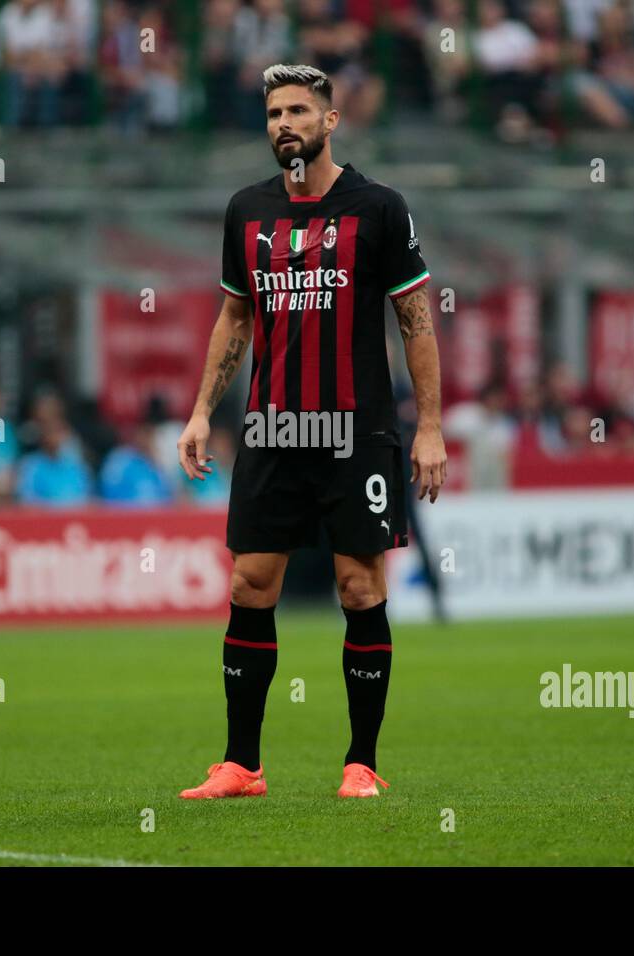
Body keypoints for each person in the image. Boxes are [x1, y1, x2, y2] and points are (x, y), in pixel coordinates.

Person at [175, 63, 445, 800]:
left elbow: (415, 318)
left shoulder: (380, 208)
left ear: (331, 122)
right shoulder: (245, 211)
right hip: (272, 429)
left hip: (358, 432)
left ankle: (362, 762)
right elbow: (235, 316)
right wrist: (202, 410)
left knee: (359, 588)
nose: (283, 124)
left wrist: (430, 428)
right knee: (250, 581)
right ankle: (241, 765)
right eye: (272, 113)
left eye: (297, 110)